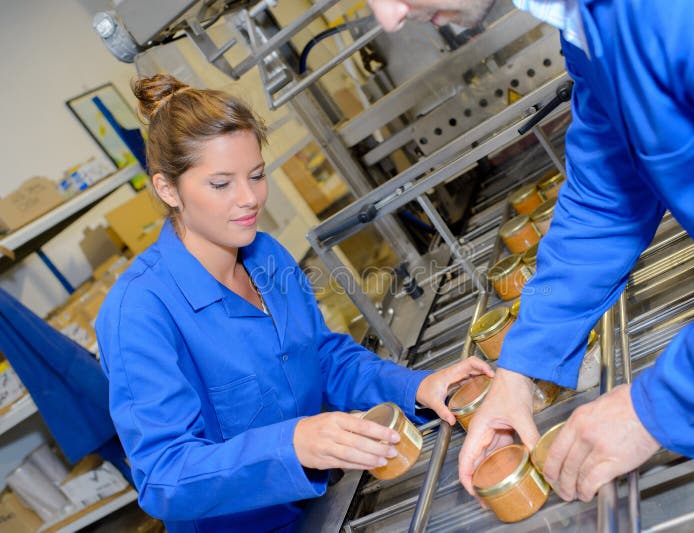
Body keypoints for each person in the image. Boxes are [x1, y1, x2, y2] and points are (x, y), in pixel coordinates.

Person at [369, 0, 694, 505]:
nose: (387, 18)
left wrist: (654, 410)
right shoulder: (587, 30)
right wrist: (522, 366)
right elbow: (606, 196)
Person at [95, 73, 493, 532]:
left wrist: (414, 388)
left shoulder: (265, 255)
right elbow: (164, 477)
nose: (249, 199)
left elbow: (321, 357)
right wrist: (293, 444)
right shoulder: (139, 312)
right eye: (221, 184)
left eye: (257, 175)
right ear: (168, 189)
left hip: (330, 503)